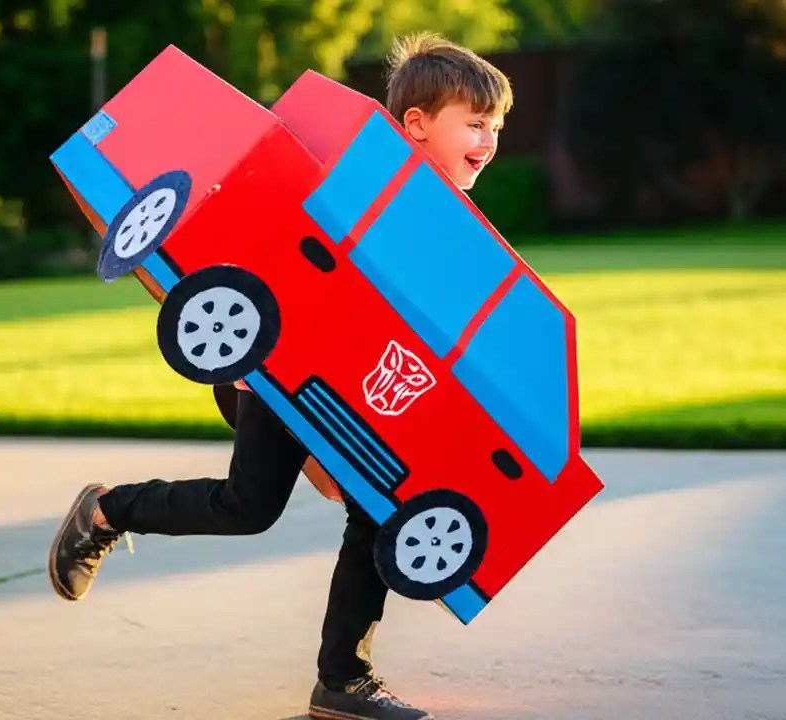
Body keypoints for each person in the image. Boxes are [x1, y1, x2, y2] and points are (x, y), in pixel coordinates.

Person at [48, 32, 511, 720]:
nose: (489, 139)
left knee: (372, 512)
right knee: (249, 507)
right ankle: (106, 510)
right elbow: (283, 246)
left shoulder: (445, 219)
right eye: (475, 123)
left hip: (344, 388)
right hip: (275, 368)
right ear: (415, 126)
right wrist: (246, 360)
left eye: (496, 127)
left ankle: (342, 682)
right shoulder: (360, 179)